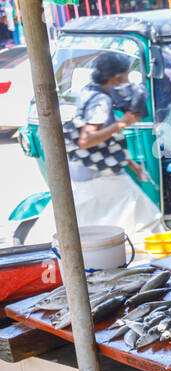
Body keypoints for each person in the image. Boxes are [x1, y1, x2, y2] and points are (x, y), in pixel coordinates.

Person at [56, 51, 163, 235]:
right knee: (143, 212)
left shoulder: (88, 91)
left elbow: (104, 140)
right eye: (127, 75)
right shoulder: (101, 101)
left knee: (96, 220)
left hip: (85, 168)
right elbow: (86, 140)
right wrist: (123, 123)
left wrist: (131, 164)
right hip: (97, 172)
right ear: (118, 77)